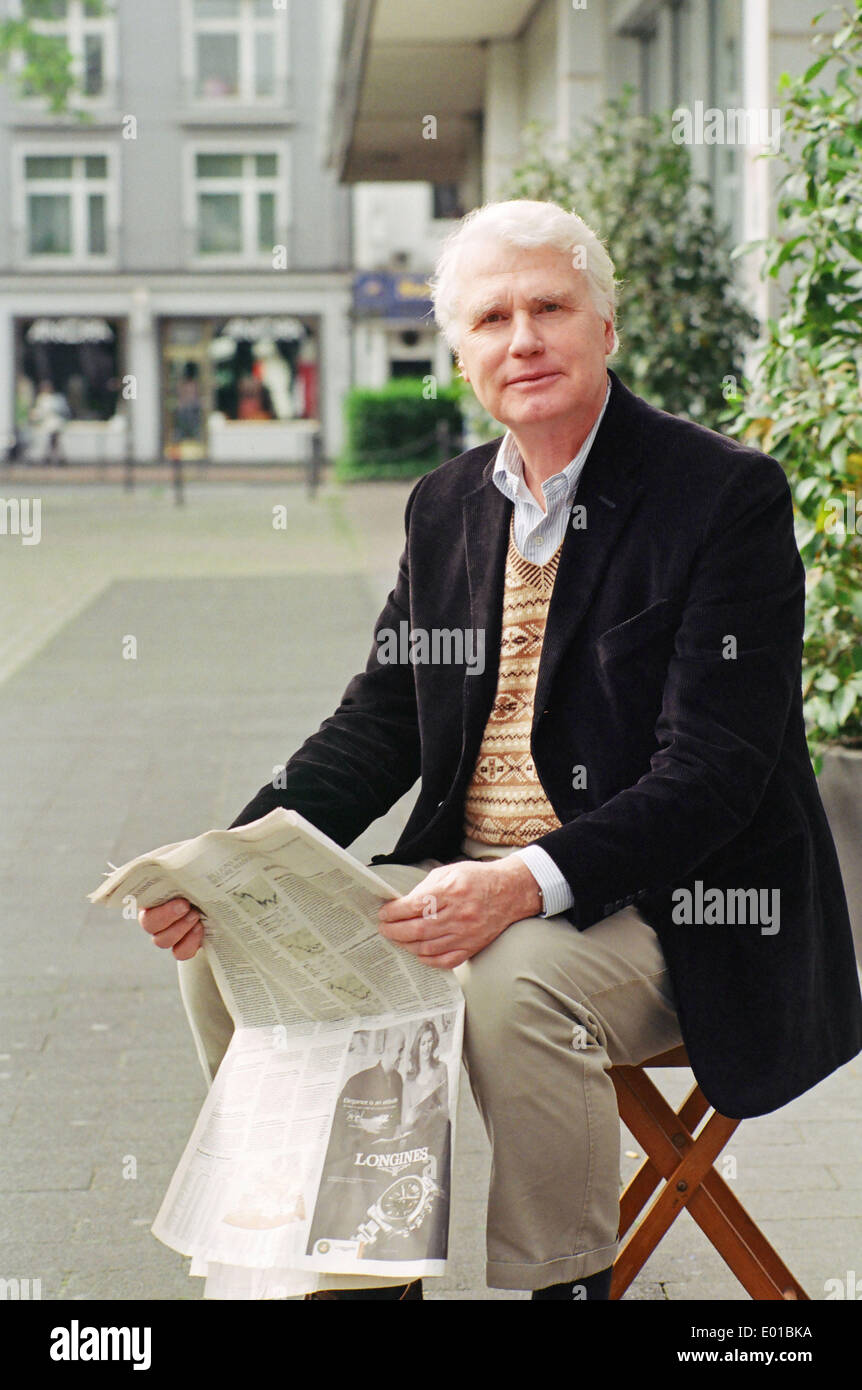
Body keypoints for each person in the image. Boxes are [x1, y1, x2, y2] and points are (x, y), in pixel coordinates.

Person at [141, 198, 862, 1301]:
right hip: (470, 873)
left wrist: (521, 886)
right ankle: (343, 1268)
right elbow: (378, 722)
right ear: (460, 351)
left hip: (686, 905)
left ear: (604, 328)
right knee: (226, 950)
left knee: (511, 984)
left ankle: (562, 1285)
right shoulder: (443, 507)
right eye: (490, 318)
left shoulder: (722, 496)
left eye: (549, 307)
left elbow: (713, 769)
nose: (520, 338)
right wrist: (227, 864)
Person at [400, 1020, 448, 1132]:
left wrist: (431, 1105)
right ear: (417, 1046)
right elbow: (404, 1124)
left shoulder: (441, 1068)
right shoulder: (409, 1080)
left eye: (430, 1041)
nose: (427, 1047)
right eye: (423, 1043)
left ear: (434, 1042)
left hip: (435, 1131)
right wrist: (411, 1119)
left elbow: (446, 1109)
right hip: (416, 1134)